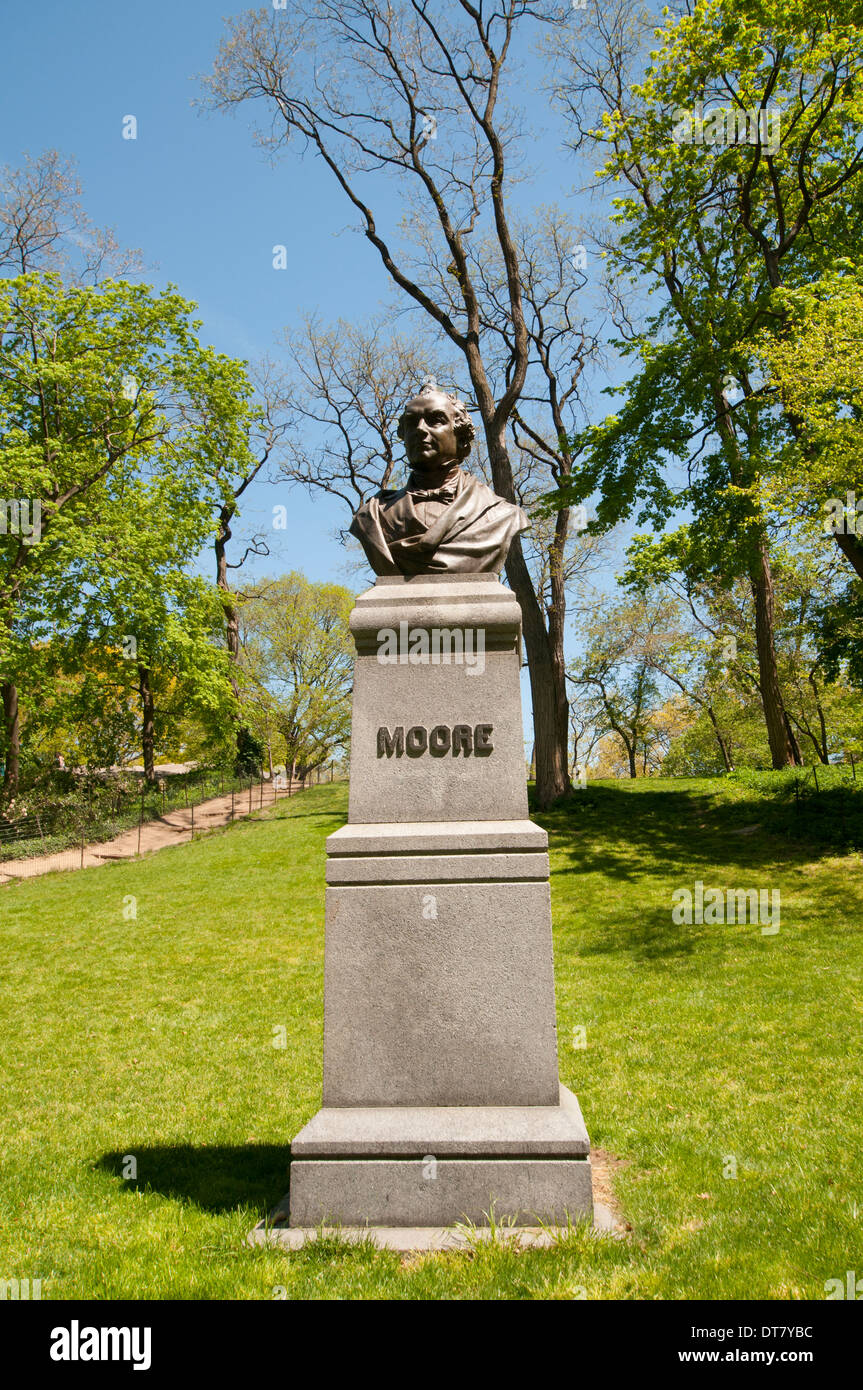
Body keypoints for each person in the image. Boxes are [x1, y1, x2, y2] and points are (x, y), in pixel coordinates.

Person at [349, 388, 528, 575]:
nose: (420, 429)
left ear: (461, 436)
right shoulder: (372, 517)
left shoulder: (500, 514)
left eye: (435, 420)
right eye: (412, 422)